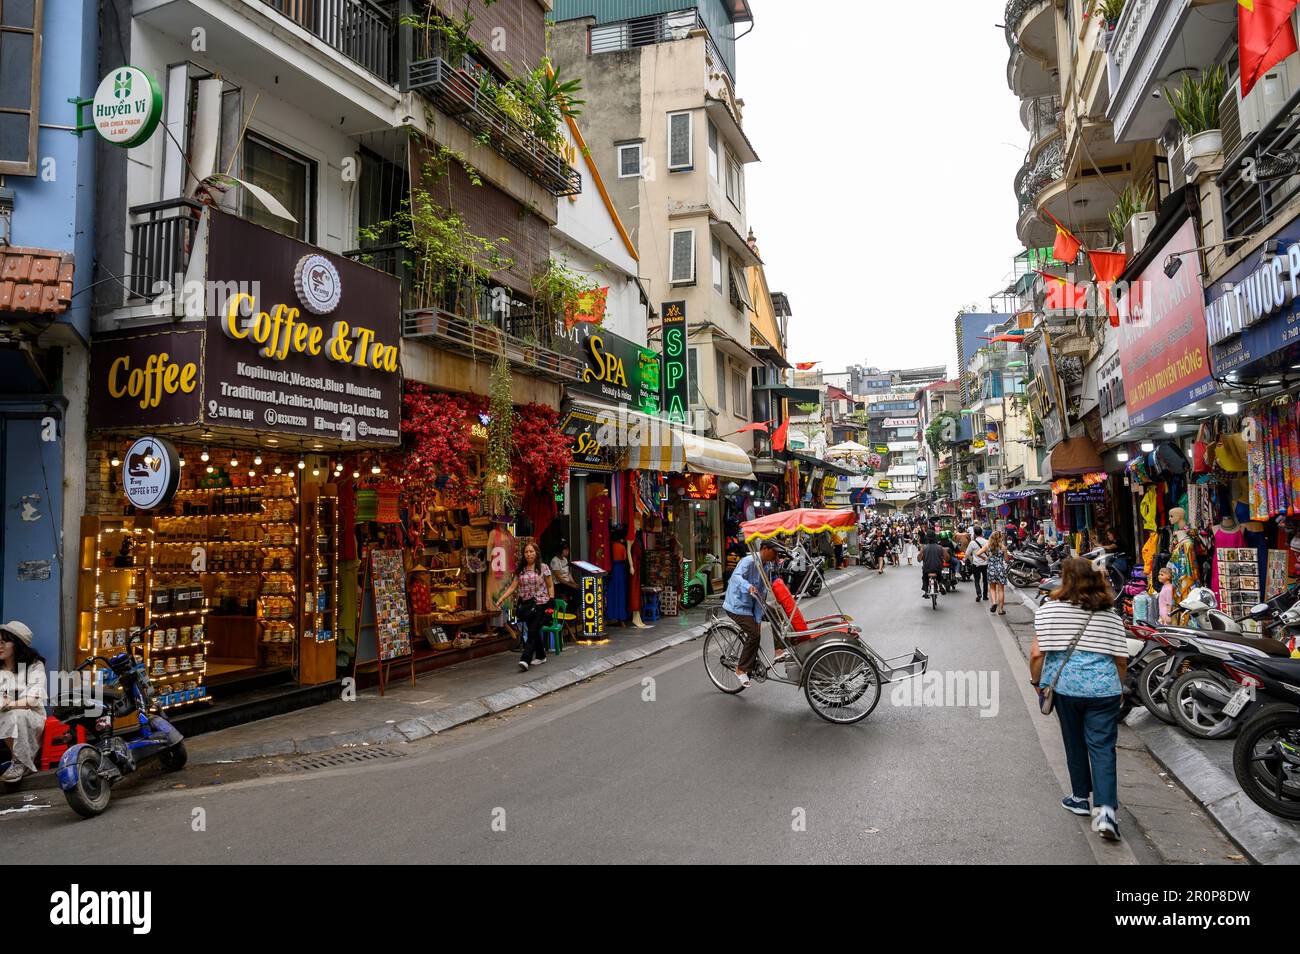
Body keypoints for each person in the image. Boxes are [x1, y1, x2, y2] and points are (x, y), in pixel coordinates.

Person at [1030, 558, 1129, 842]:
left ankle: (1079, 798)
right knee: (1102, 747)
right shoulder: (1109, 613)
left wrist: (1037, 683)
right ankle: (1106, 811)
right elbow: (1120, 659)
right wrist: (1117, 685)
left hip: (1066, 688)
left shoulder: (1050, 610)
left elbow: (1037, 654)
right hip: (1104, 689)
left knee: (1074, 742)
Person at [723, 540, 782, 687]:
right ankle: (741, 669)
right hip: (737, 605)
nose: (776, 555)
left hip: (753, 605)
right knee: (754, 635)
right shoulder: (749, 561)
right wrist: (748, 586)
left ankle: (779, 650)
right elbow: (736, 576)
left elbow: (761, 594)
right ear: (764, 549)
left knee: (777, 614)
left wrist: (758, 618)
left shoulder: (767, 566)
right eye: (774, 551)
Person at [490, 542, 554, 672]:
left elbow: (550, 585)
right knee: (533, 630)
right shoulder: (521, 570)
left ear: (536, 553)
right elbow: (513, 586)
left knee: (532, 631)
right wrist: (501, 599)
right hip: (526, 605)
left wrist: (551, 601)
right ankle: (541, 655)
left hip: (541, 603)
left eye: (531, 551)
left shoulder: (543, 567)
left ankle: (525, 659)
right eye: (526, 552)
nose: (529, 554)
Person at [0, 621, 47, 782]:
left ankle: (19, 762)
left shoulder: (34, 666)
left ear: (17, 644)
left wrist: (9, 704)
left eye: (4, 642)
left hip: (30, 716)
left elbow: (32, 699)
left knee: (14, 715)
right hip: (4, 712)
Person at [984, 530, 1009, 615]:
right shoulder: (1003, 547)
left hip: (991, 569)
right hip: (1000, 569)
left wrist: (986, 558)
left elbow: (977, 553)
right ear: (1000, 538)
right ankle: (1001, 610)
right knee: (1001, 590)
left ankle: (994, 603)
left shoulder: (988, 546)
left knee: (992, 588)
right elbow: (1006, 560)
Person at [969, 526, 991, 603]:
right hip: (986, 564)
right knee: (985, 580)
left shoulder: (972, 543)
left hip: (976, 564)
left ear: (974, 534)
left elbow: (967, 553)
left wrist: (970, 559)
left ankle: (979, 593)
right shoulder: (987, 541)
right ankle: (985, 596)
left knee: (977, 580)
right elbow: (990, 552)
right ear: (982, 533)